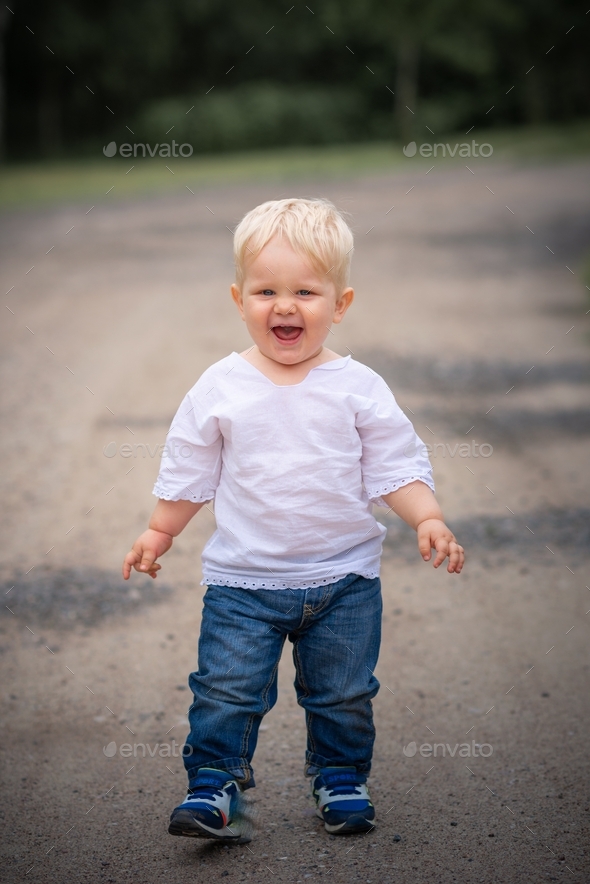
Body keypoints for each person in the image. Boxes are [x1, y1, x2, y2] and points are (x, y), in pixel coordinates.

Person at [122, 197, 465, 841]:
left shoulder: (357, 386)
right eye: (266, 290)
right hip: (242, 585)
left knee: (343, 695)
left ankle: (340, 777)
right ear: (238, 298)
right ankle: (213, 786)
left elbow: (394, 462)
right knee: (225, 692)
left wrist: (428, 516)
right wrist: (159, 530)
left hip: (344, 583)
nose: (285, 305)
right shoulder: (221, 386)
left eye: (306, 291)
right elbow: (190, 469)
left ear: (342, 304)